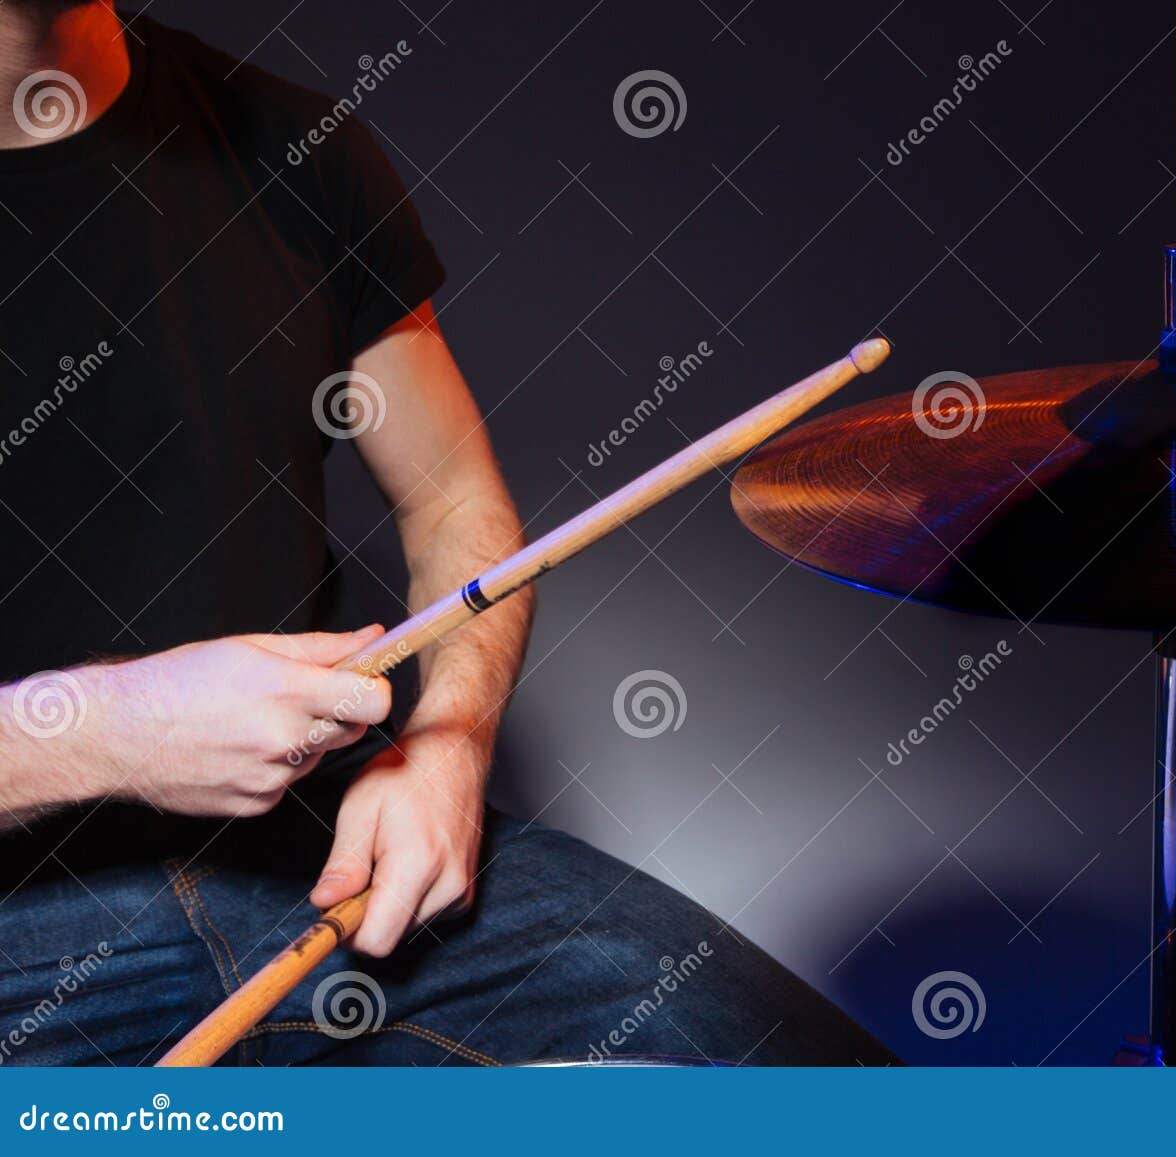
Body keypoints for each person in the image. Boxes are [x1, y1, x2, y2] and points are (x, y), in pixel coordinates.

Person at [0, 2, 894, 1066]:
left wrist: (450, 745)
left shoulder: (292, 147)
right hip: (22, 918)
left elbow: (455, 502)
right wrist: (101, 726)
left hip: (324, 861)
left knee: (808, 1080)